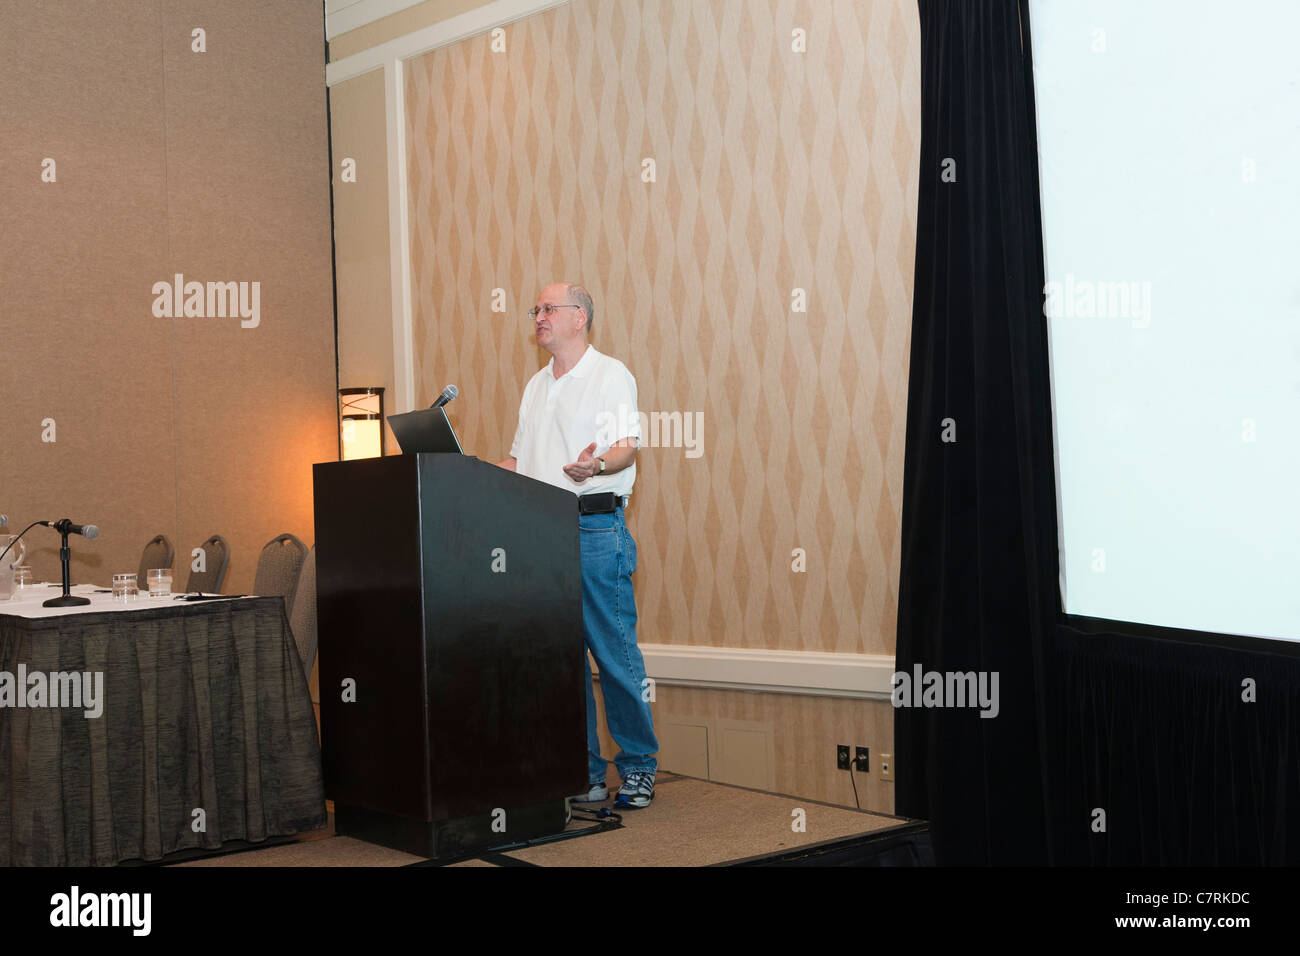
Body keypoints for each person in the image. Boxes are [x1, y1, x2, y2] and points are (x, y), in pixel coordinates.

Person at [495, 282, 659, 809]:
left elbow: (625, 449)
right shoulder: (536, 386)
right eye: (535, 310)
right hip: (541, 535)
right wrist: (462, 471)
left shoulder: (610, 375)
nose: (538, 317)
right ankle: (584, 770)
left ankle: (637, 768)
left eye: (548, 309)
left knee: (613, 656)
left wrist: (595, 466)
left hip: (594, 530)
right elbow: (521, 462)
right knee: (561, 663)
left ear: (579, 317)